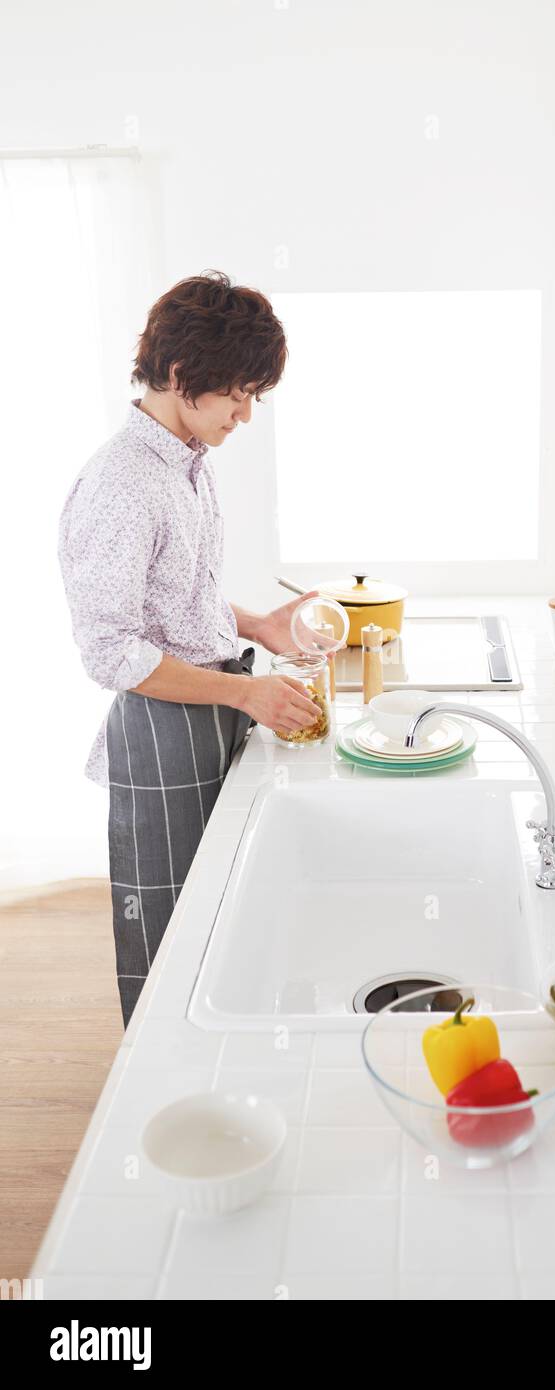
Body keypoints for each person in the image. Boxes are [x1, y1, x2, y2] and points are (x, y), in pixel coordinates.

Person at [58, 269, 328, 1029]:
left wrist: (258, 628)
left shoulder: (186, 465)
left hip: (208, 712)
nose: (245, 414)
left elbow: (176, 600)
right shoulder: (122, 483)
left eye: (254, 396)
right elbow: (111, 650)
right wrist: (246, 692)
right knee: (168, 934)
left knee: (218, 911)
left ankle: (217, 1072)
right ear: (181, 374)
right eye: (237, 393)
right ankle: (159, 1106)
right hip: (162, 730)